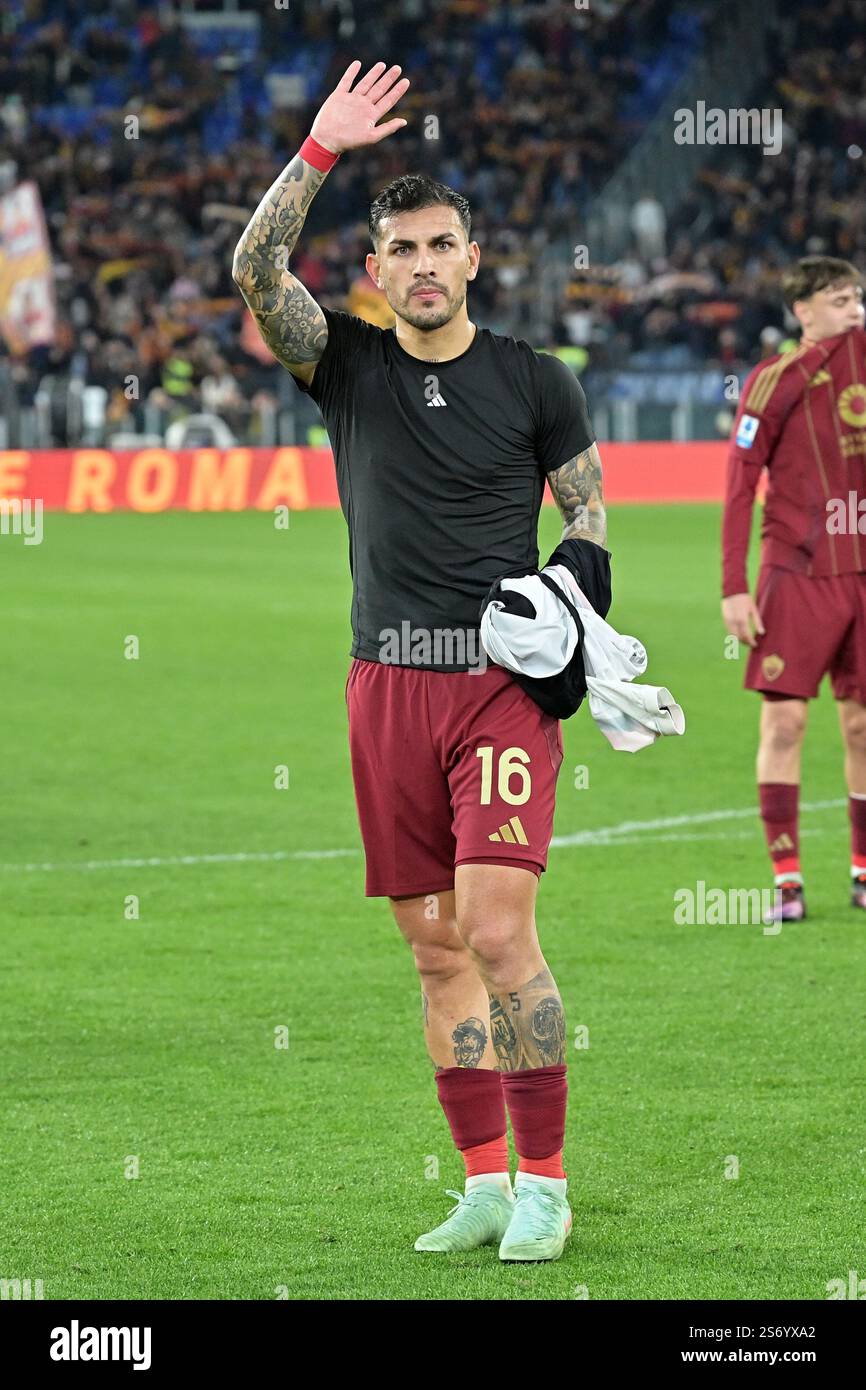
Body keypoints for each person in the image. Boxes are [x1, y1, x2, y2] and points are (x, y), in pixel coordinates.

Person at [232, 59, 607, 1262]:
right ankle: (482, 1181)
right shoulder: (344, 365)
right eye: (403, 250)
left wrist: (579, 583)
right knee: (436, 946)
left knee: (499, 934)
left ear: (472, 257)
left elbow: (585, 514)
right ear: (378, 270)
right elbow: (253, 271)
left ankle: (545, 1182)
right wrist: (321, 151)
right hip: (383, 683)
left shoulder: (533, 379)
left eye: (443, 244)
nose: (425, 264)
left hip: (497, 684)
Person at [722, 256, 866, 921]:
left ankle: (863, 872)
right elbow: (739, 485)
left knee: (862, 726)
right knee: (786, 720)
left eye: (859, 299)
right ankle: (787, 881)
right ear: (803, 309)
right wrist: (735, 586)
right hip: (797, 573)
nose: (855, 311)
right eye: (840, 300)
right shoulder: (773, 380)